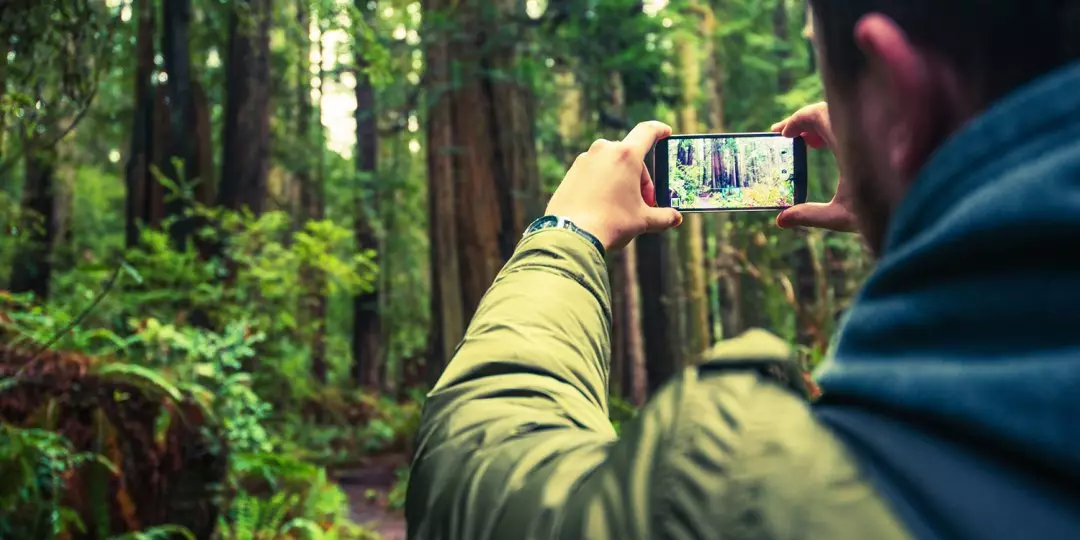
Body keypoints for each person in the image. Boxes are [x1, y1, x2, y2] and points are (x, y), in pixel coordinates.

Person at [406, 0, 1080, 538]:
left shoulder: (739, 496)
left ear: (898, 95)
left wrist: (566, 234)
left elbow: (475, 459)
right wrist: (916, 196)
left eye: (829, 72)